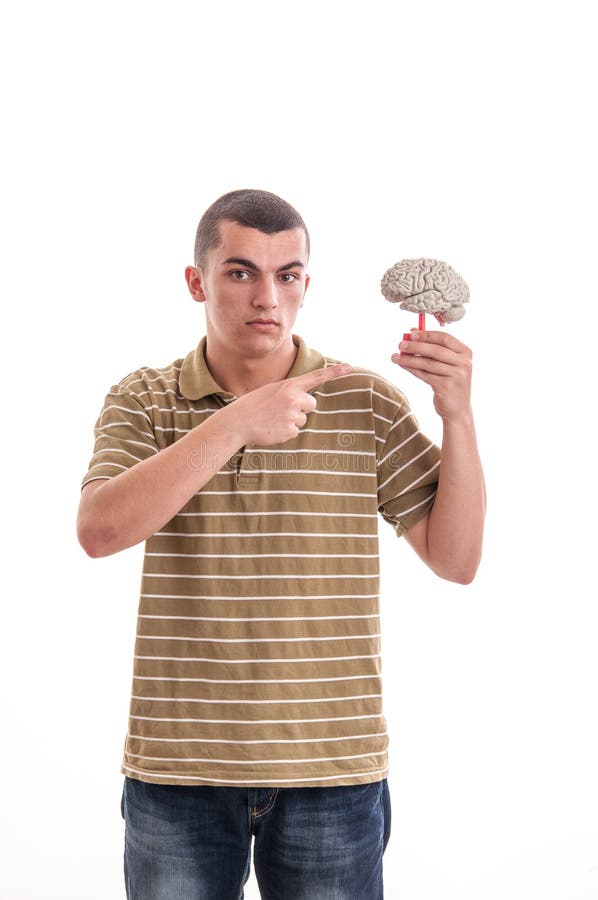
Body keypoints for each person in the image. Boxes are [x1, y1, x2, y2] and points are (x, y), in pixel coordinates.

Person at [77, 189, 485, 900]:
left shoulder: (364, 401)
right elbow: (99, 531)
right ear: (197, 282)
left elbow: (457, 561)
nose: (267, 297)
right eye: (241, 272)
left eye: (287, 275)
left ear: (305, 283)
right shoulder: (143, 398)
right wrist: (236, 423)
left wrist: (458, 416)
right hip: (179, 768)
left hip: (333, 767)